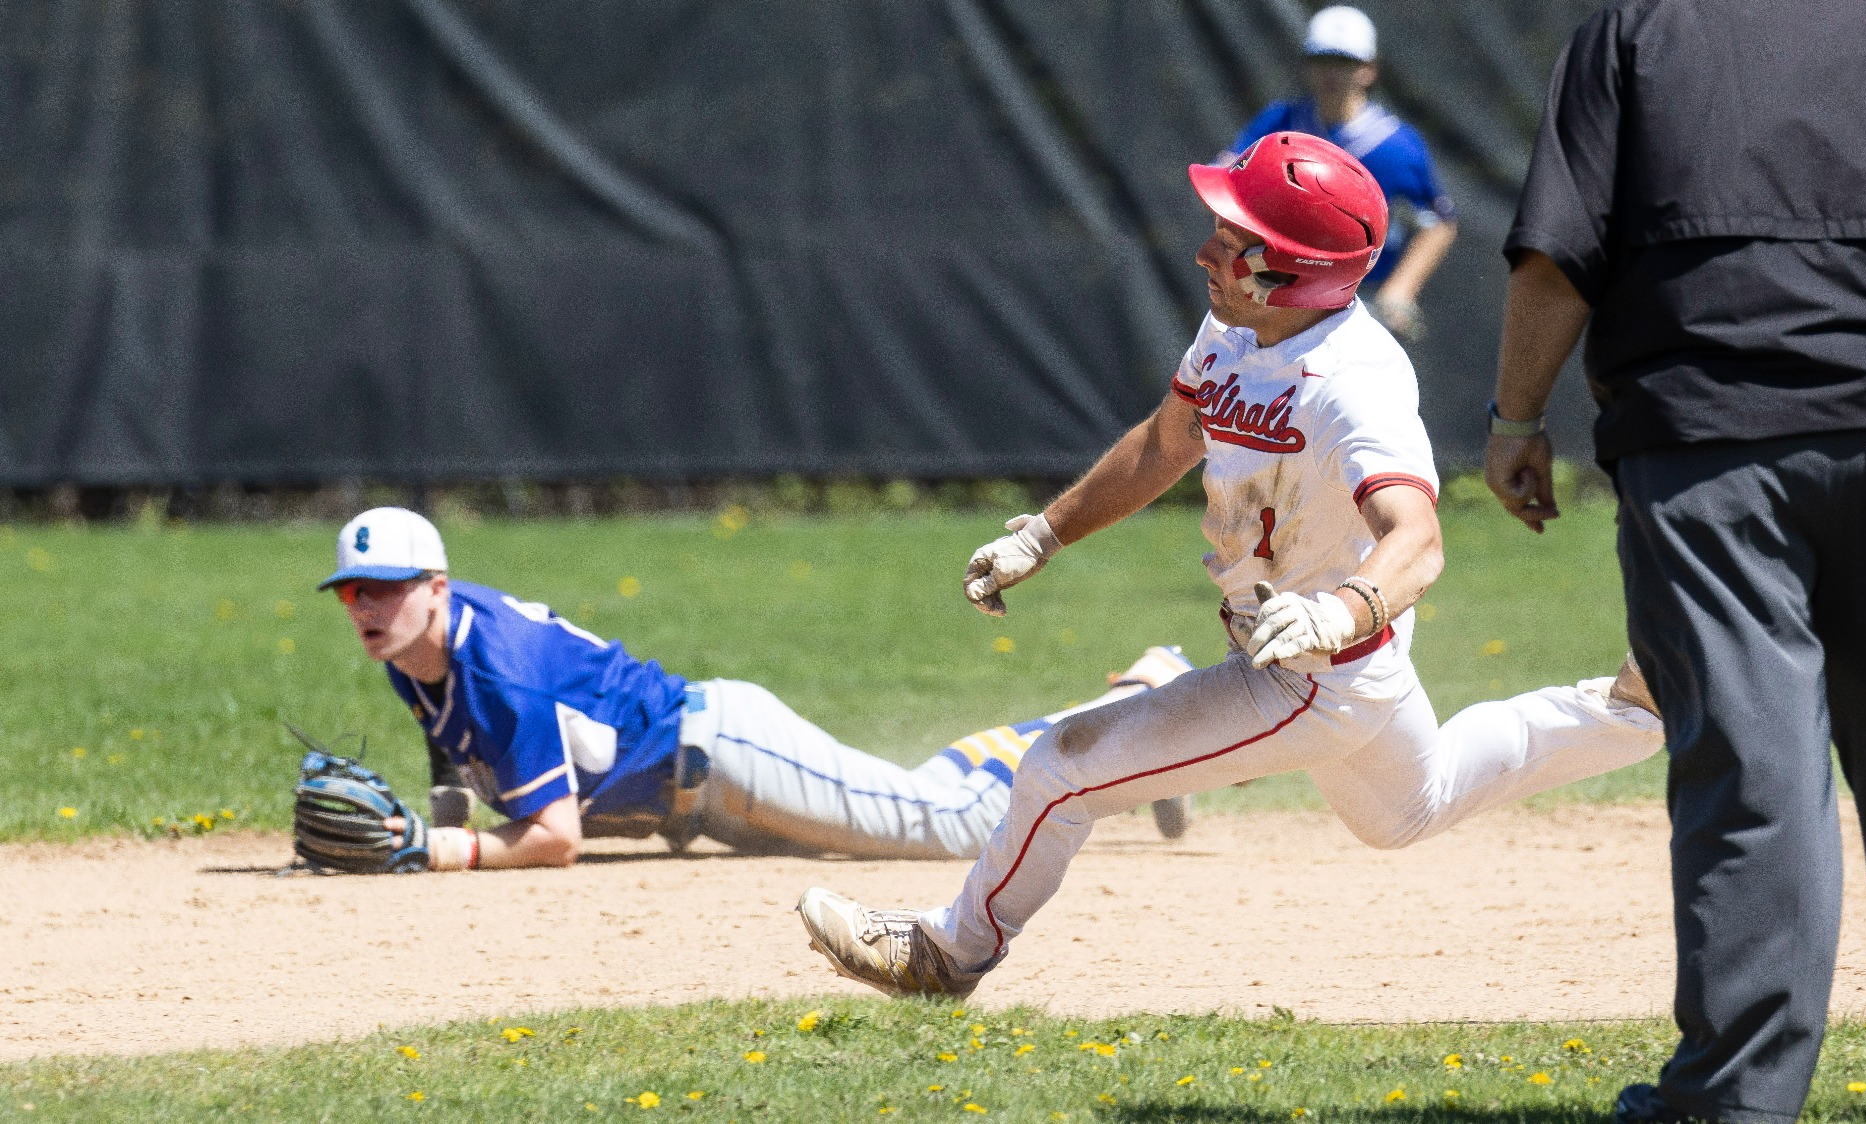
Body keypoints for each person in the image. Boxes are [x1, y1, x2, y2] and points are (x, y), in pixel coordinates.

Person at [793, 131, 1663, 1001]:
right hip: (1324, 655)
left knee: (1060, 771)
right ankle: (1638, 705)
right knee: (1410, 810)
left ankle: (949, 953)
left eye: (1237, 238)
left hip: (1314, 671)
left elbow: (1418, 538)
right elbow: (1167, 439)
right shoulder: (1237, 325)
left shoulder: (1350, 382)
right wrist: (1044, 535)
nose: (1210, 249)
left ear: (1293, 271)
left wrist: (1340, 611)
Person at [1483, 1, 1866, 1120]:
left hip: (1706, 440)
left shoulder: (1634, 32)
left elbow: (1555, 258)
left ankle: (1736, 1095)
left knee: (1753, 760)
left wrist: (1514, 417)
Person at [315, 506, 1197, 871]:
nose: (368, 606)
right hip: (701, 798)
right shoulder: (415, 653)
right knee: (929, 805)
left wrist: (426, 850)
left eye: (388, 587)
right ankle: (1148, 747)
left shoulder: (493, 662)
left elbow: (555, 836)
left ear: (436, 586)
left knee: (954, 822)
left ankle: (1146, 700)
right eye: (356, 592)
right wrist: (427, 822)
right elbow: (460, 759)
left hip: (727, 751)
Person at [1223, 5, 1457, 341]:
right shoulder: (1279, 123)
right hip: (1277, 290)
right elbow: (1226, 181)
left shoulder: (1397, 145)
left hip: (1359, 302)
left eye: (1345, 62)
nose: (1332, 72)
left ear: (1369, 69)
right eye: (1322, 60)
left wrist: (1400, 291)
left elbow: (1438, 223)